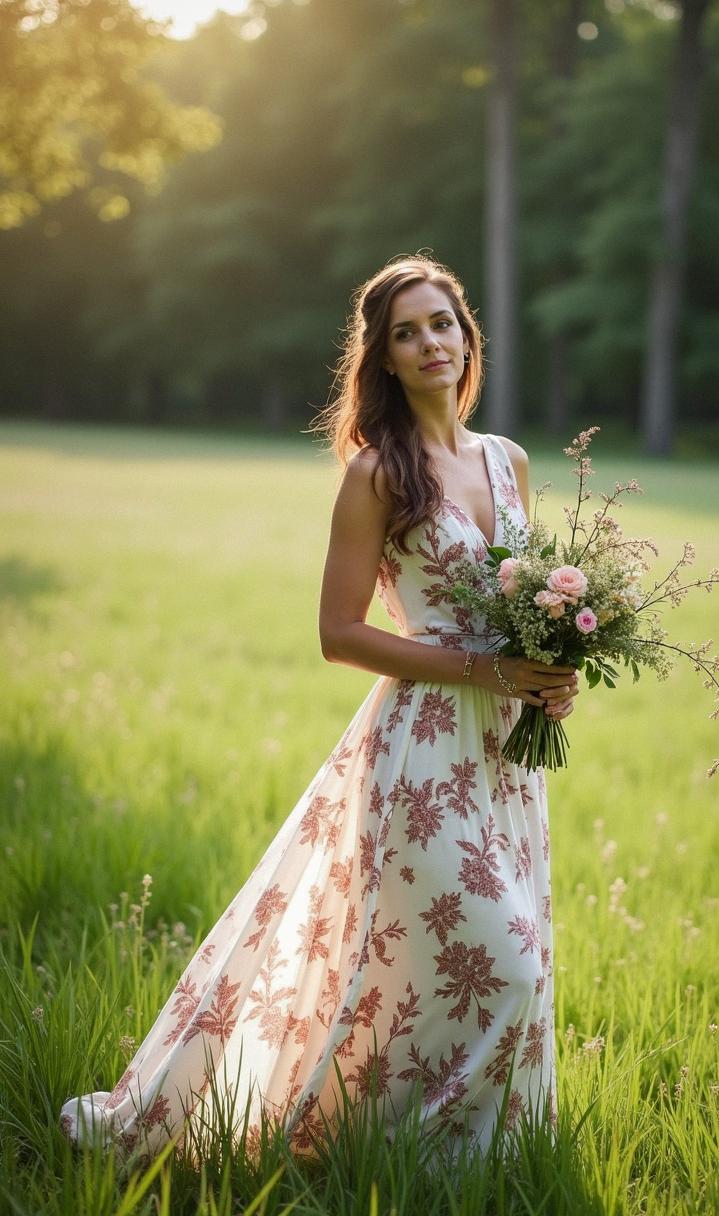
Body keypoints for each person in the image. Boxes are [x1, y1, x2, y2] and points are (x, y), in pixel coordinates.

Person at [59, 254, 579, 1160]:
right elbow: (339, 633)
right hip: (422, 753)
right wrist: (483, 670)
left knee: (449, 967)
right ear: (384, 358)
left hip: (504, 752)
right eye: (406, 333)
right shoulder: (378, 473)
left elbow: (526, 604)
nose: (430, 343)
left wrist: (552, 673)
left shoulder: (510, 461)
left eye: (442, 324)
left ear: (468, 337)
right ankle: (411, 1151)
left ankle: (452, 1160)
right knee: (509, 964)